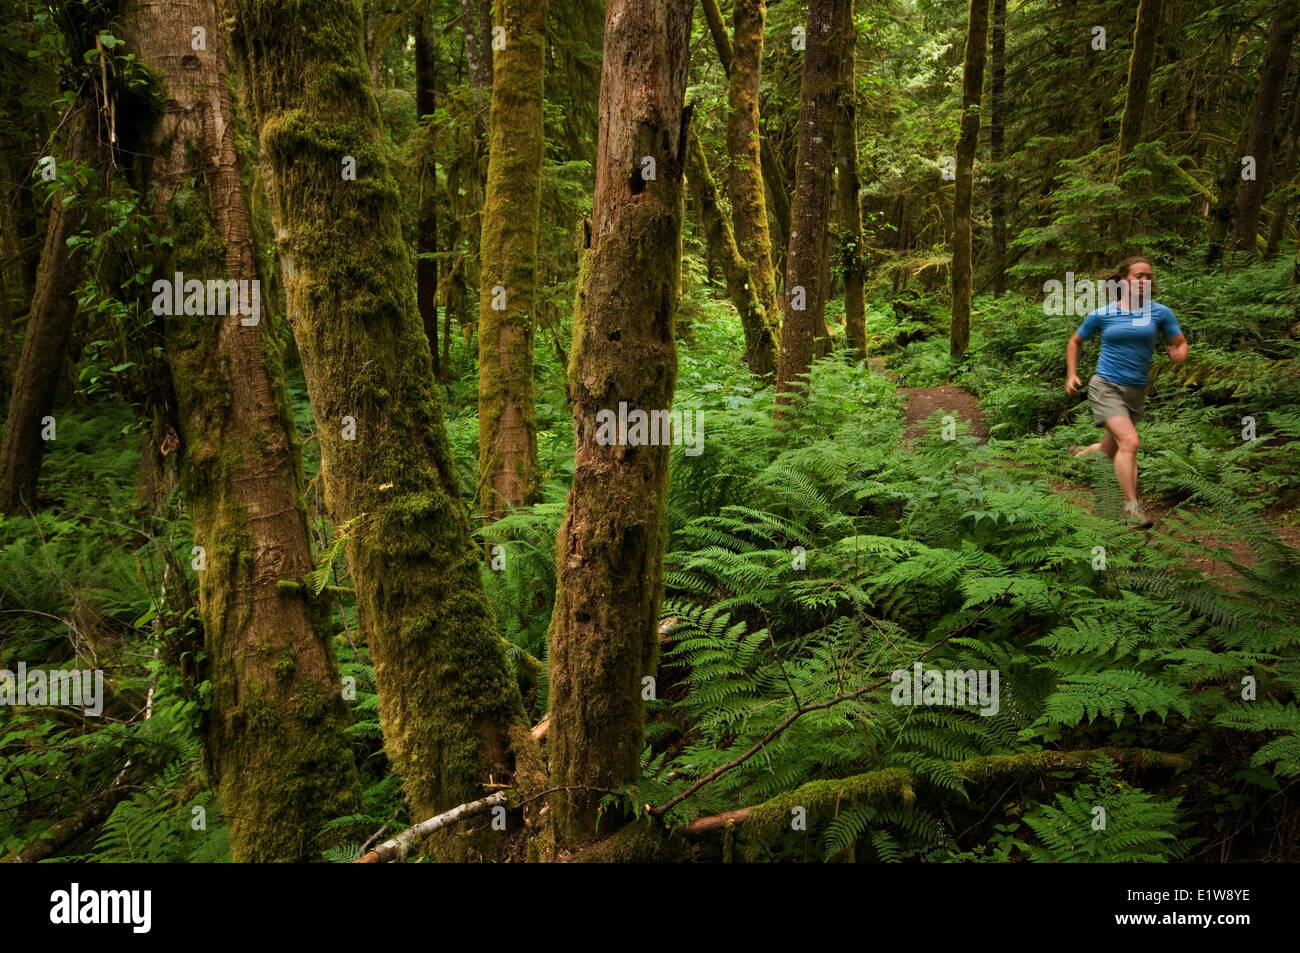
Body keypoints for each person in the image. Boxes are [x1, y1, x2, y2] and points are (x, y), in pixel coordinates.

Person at [1064, 256, 1187, 528]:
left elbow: (1179, 342)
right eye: (1138, 276)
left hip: (1136, 392)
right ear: (1123, 281)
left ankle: (1081, 455)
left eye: (1149, 277)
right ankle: (1131, 508)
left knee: (1112, 448)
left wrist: (1179, 353)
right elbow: (1075, 341)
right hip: (1105, 386)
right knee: (1130, 442)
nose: (1144, 281)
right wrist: (1072, 374)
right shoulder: (1103, 314)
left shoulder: (1161, 313)